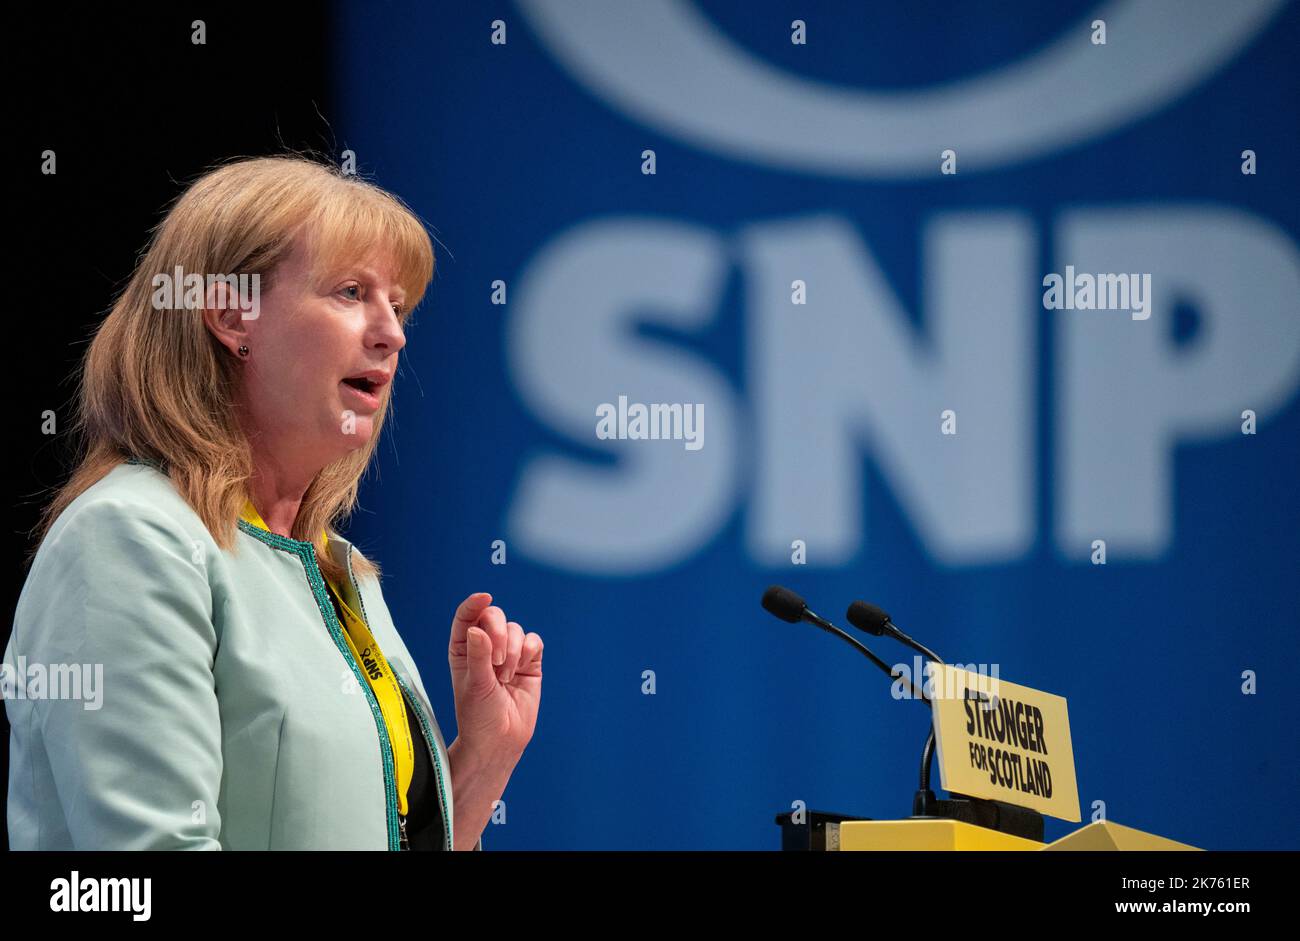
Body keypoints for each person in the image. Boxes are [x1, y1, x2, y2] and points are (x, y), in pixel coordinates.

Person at [3, 155, 542, 850]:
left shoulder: (337, 569)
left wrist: (480, 761)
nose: (392, 333)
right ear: (233, 316)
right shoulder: (130, 537)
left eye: (398, 306)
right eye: (351, 292)